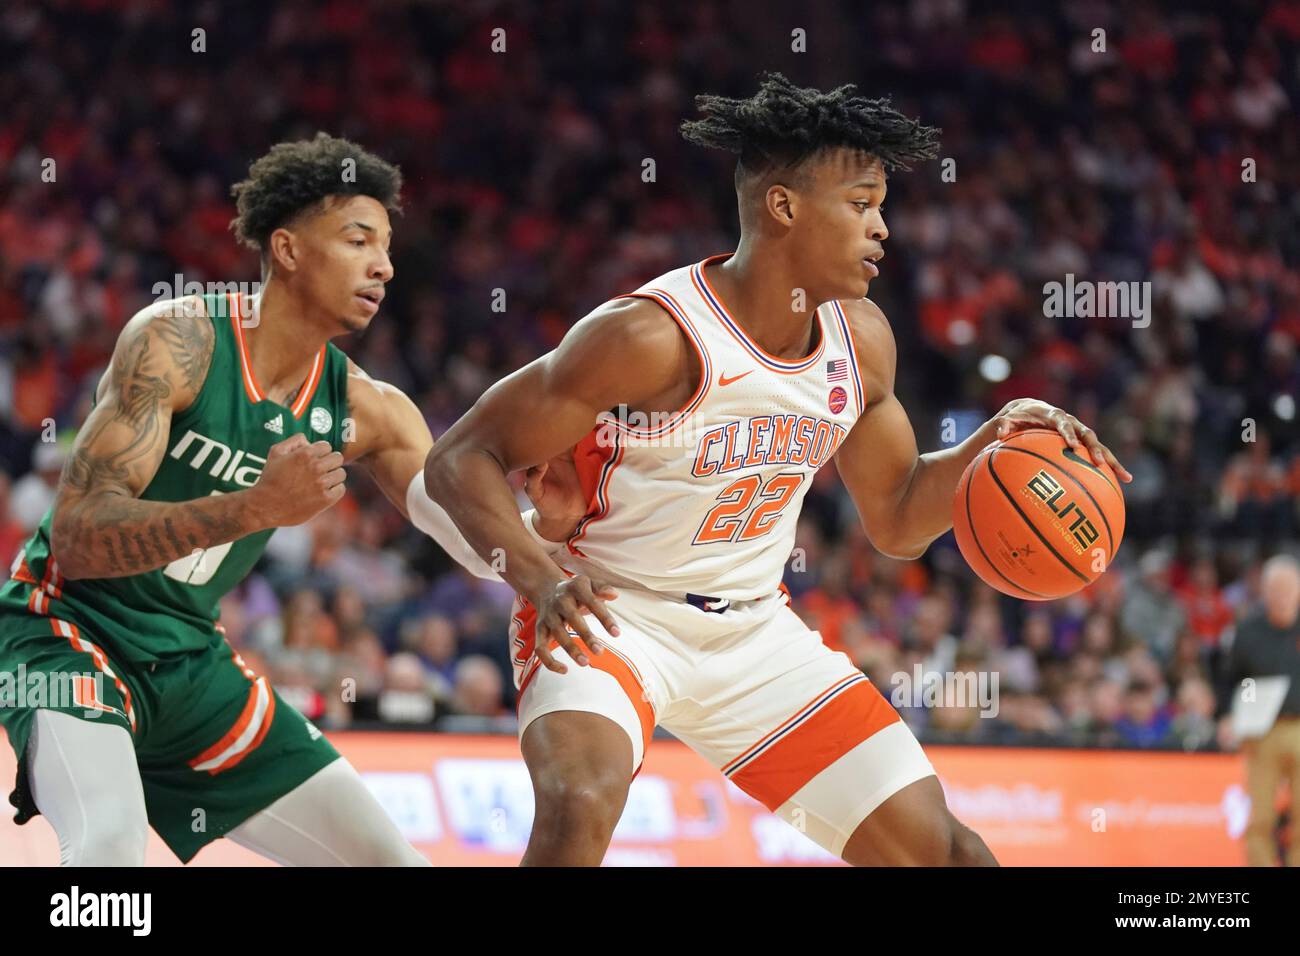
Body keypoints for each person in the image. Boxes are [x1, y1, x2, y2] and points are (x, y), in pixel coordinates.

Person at [426, 73, 1131, 866]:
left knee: (953, 855)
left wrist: (987, 449)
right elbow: (462, 456)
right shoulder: (651, 337)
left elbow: (897, 518)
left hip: (755, 634)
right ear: (785, 208)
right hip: (613, 615)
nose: (883, 229)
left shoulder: (860, 343)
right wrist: (537, 576)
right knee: (579, 801)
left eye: (882, 207)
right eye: (861, 205)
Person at [0, 134, 581, 866]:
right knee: (109, 849)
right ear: (288, 249)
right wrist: (251, 508)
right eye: (358, 239)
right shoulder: (179, 343)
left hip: (189, 659)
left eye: (388, 247)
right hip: (67, 633)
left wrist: (542, 527)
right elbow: (78, 537)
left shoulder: (369, 409)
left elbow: (473, 544)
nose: (384, 264)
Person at [1220, 554, 1300, 866]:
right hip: (1261, 731)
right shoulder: (1249, 631)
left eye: (1288, 589)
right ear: (1264, 592)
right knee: (1259, 817)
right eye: (1275, 590)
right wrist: (1229, 714)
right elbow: (1231, 680)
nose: (1281, 596)